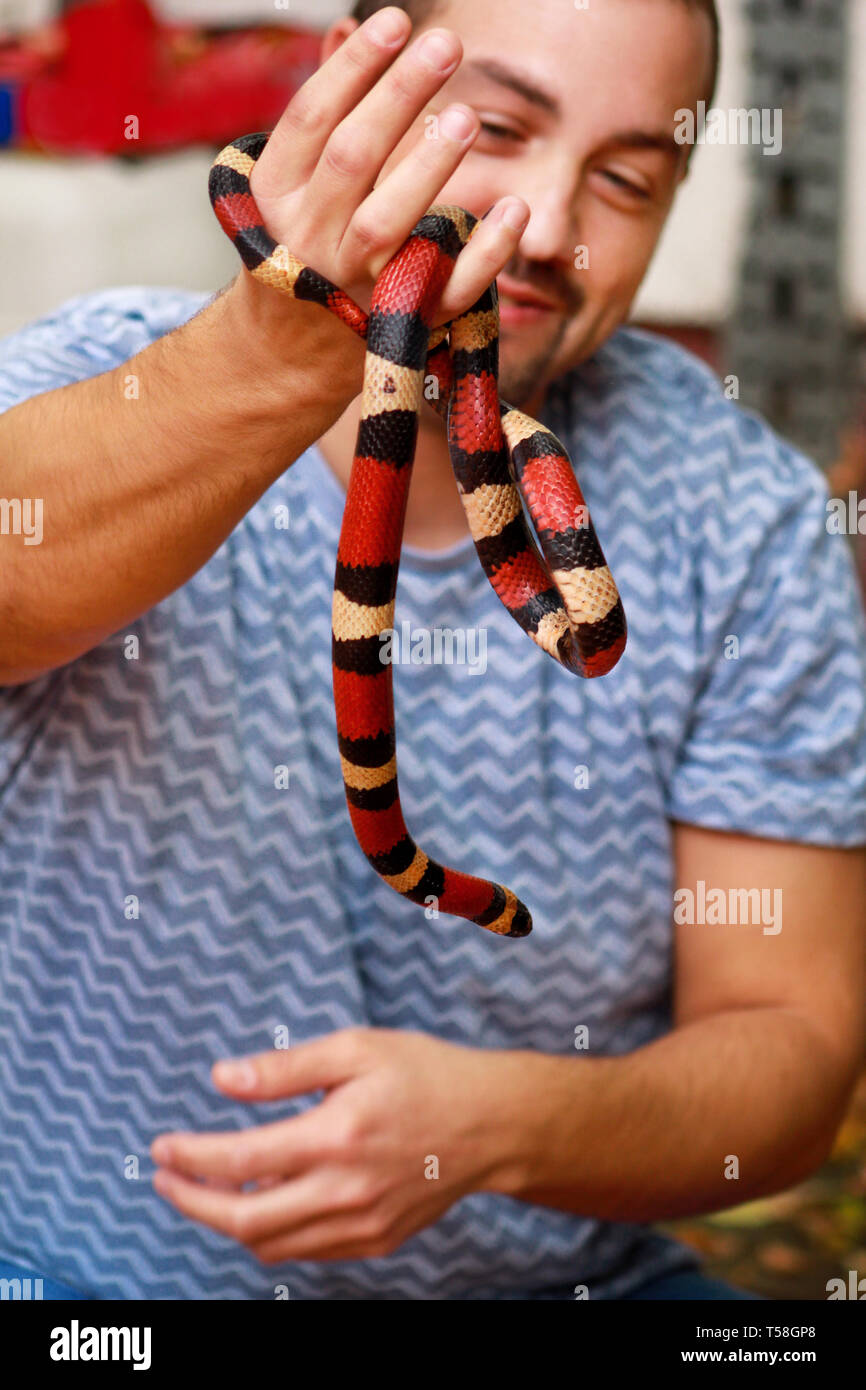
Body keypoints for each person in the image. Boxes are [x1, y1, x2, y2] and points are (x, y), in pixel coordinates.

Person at [0, 0, 864, 1302]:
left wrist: (503, 1127)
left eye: (625, 177)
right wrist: (283, 352)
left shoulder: (740, 515)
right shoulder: (104, 382)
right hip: (88, 1284)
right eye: (494, 127)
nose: (538, 221)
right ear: (353, 105)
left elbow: (789, 1060)